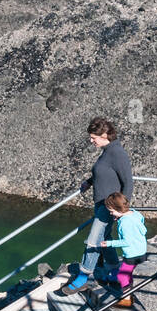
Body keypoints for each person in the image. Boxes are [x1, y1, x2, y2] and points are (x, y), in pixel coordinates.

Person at [59, 117, 134, 295]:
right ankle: (116, 272)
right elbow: (105, 173)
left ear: (105, 135)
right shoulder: (108, 151)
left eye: (94, 137)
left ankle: (83, 278)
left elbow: (128, 183)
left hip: (109, 207)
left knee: (93, 240)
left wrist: (121, 210)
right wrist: (89, 182)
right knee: (104, 238)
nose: (91, 141)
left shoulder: (117, 153)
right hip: (101, 204)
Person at [96, 191, 148, 308]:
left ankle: (126, 299)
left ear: (118, 208)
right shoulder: (134, 214)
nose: (111, 213)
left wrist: (109, 243)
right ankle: (129, 291)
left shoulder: (125, 222)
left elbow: (127, 241)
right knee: (127, 273)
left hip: (132, 253)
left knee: (122, 275)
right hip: (141, 250)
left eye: (112, 211)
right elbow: (142, 224)